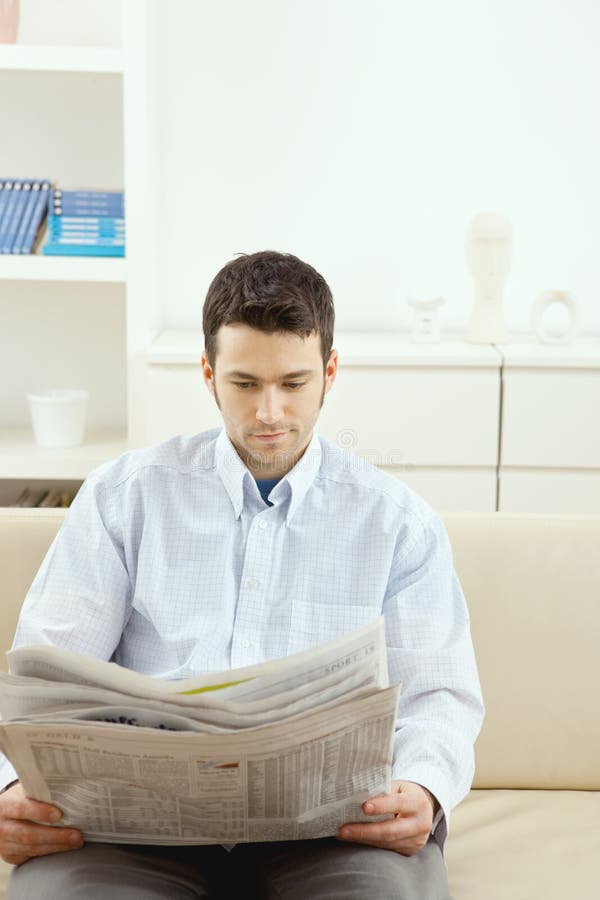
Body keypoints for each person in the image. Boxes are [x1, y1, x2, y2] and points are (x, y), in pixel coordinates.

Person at [0, 250, 484, 899]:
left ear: (329, 373)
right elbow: (47, 677)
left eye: (293, 383)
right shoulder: (123, 497)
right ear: (208, 374)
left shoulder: (399, 523)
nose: (270, 413)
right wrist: (10, 786)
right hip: (133, 830)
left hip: (333, 831)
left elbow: (440, 695)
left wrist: (423, 785)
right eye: (245, 384)